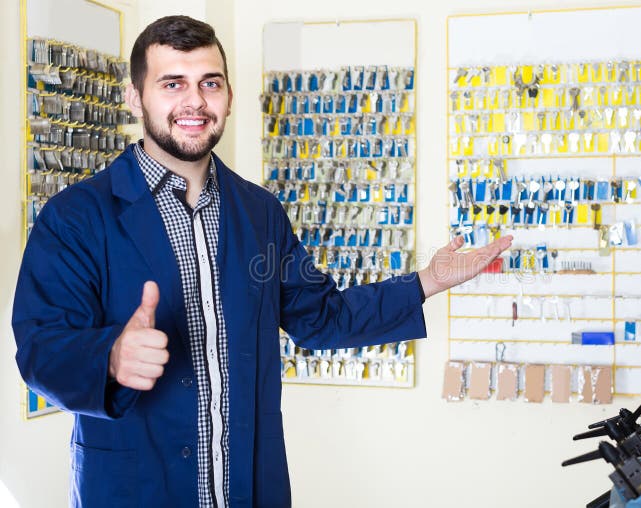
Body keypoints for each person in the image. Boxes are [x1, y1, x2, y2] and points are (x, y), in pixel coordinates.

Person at [12, 15, 512, 508]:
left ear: (228, 97)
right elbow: (40, 350)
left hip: (248, 489)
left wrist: (426, 281)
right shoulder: (75, 217)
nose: (194, 101)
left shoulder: (260, 212)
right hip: (133, 492)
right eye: (172, 84)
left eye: (210, 83)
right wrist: (111, 357)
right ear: (135, 96)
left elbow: (322, 318)